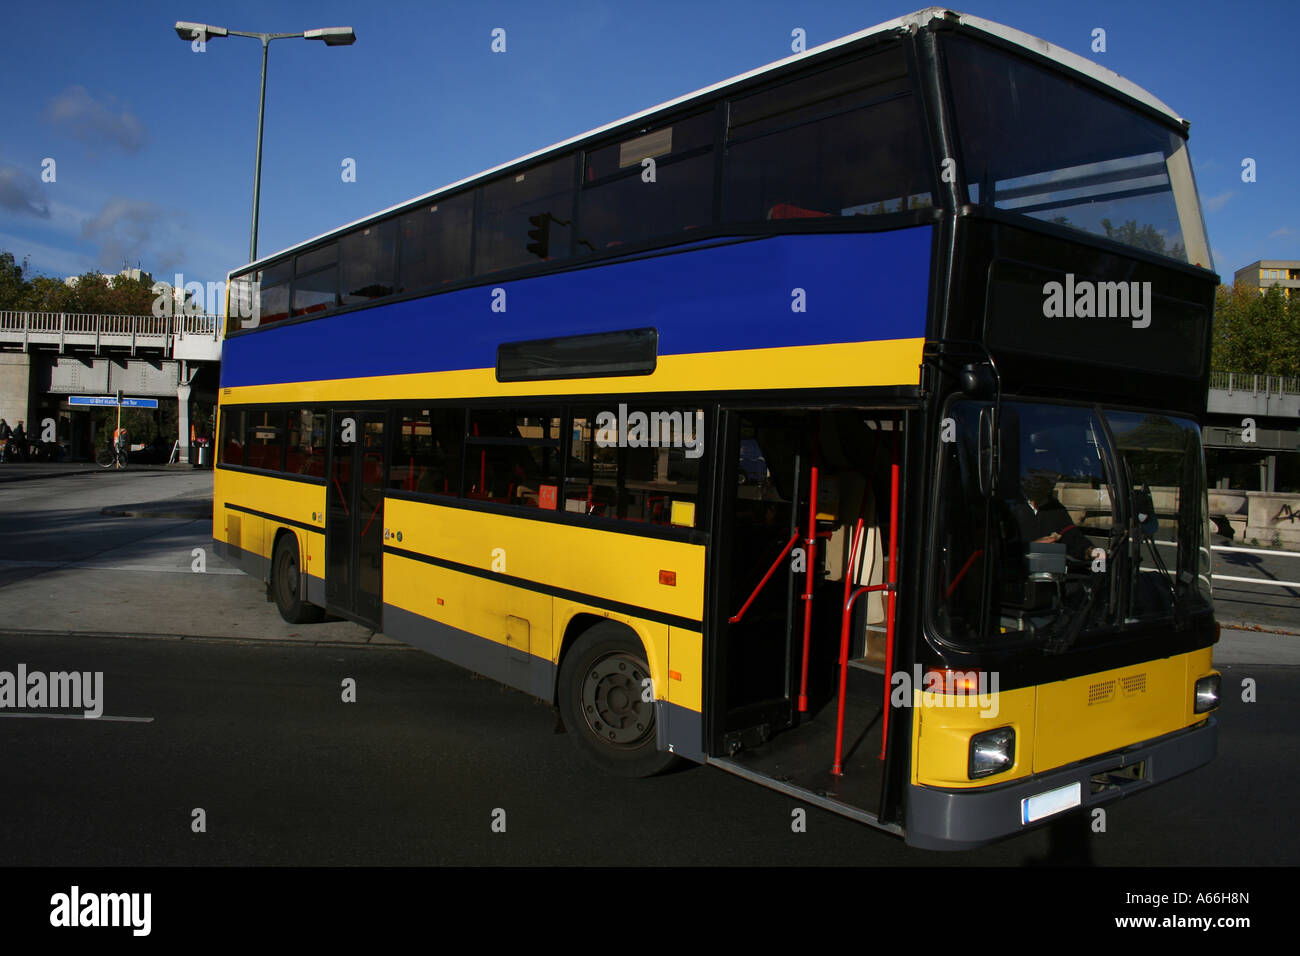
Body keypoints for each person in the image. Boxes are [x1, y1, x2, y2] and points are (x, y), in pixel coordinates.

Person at [1011, 456, 1105, 563]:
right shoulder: (1011, 507)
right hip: (1016, 573)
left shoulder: (1055, 509)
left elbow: (1071, 537)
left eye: (1051, 482)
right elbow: (1001, 547)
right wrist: (1033, 546)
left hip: (1049, 572)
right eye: (1039, 480)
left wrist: (1089, 550)